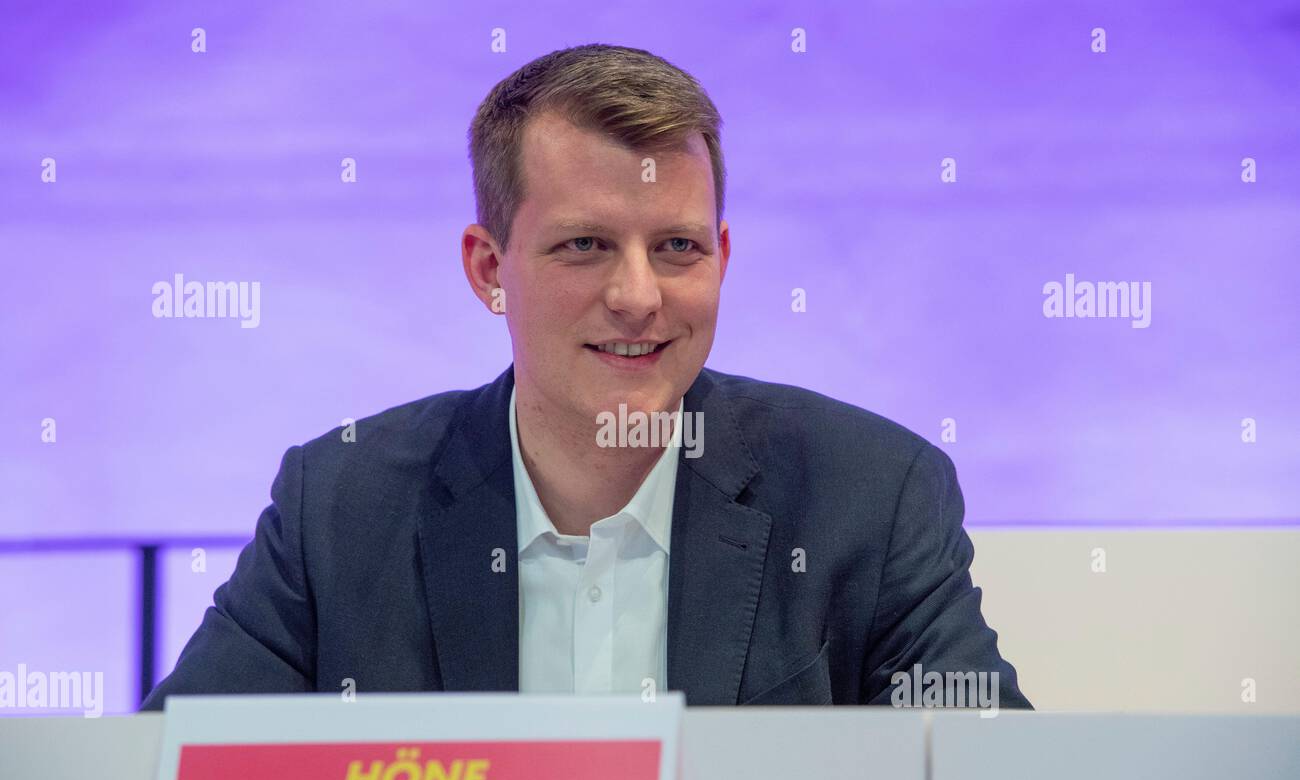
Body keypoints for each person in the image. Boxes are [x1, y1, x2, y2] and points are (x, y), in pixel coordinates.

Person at [142, 43, 1031, 711]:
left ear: (721, 257)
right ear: (489, 269)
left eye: (677, 248)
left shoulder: (869, 496)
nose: (638, 297)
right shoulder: (338, 506)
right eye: (585, 246)